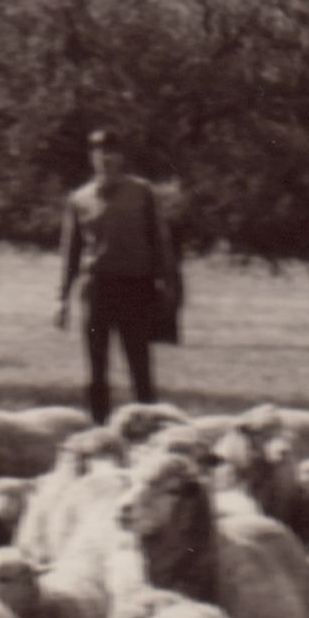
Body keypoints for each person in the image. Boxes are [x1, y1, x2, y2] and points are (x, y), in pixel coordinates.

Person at [51, 126, 181, 425]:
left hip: (136, 286)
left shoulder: (141, 193)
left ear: (121, 157)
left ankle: (150, 427)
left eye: (111, 153)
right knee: (97, 368)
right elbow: (70, 252)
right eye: (98, 153)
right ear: (91, 157)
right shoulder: (80, 199)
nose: (105, 159)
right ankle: (100, 429)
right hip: (98, 289)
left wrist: (167, 283)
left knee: (139, 364)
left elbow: (159, 241)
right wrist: (62, 299)